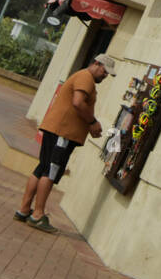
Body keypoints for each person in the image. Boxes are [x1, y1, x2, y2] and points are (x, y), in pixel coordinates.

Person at [16, 54, 114, 233]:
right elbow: (78, 102)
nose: (105, 75)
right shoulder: (86, 77)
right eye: (104, 71)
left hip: (56, 129)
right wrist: (92, 122)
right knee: (51, 171)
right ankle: (37, 215)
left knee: (42, 168)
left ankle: (24, 210)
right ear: (96, 63)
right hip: (62, 132)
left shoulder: (82, 76)